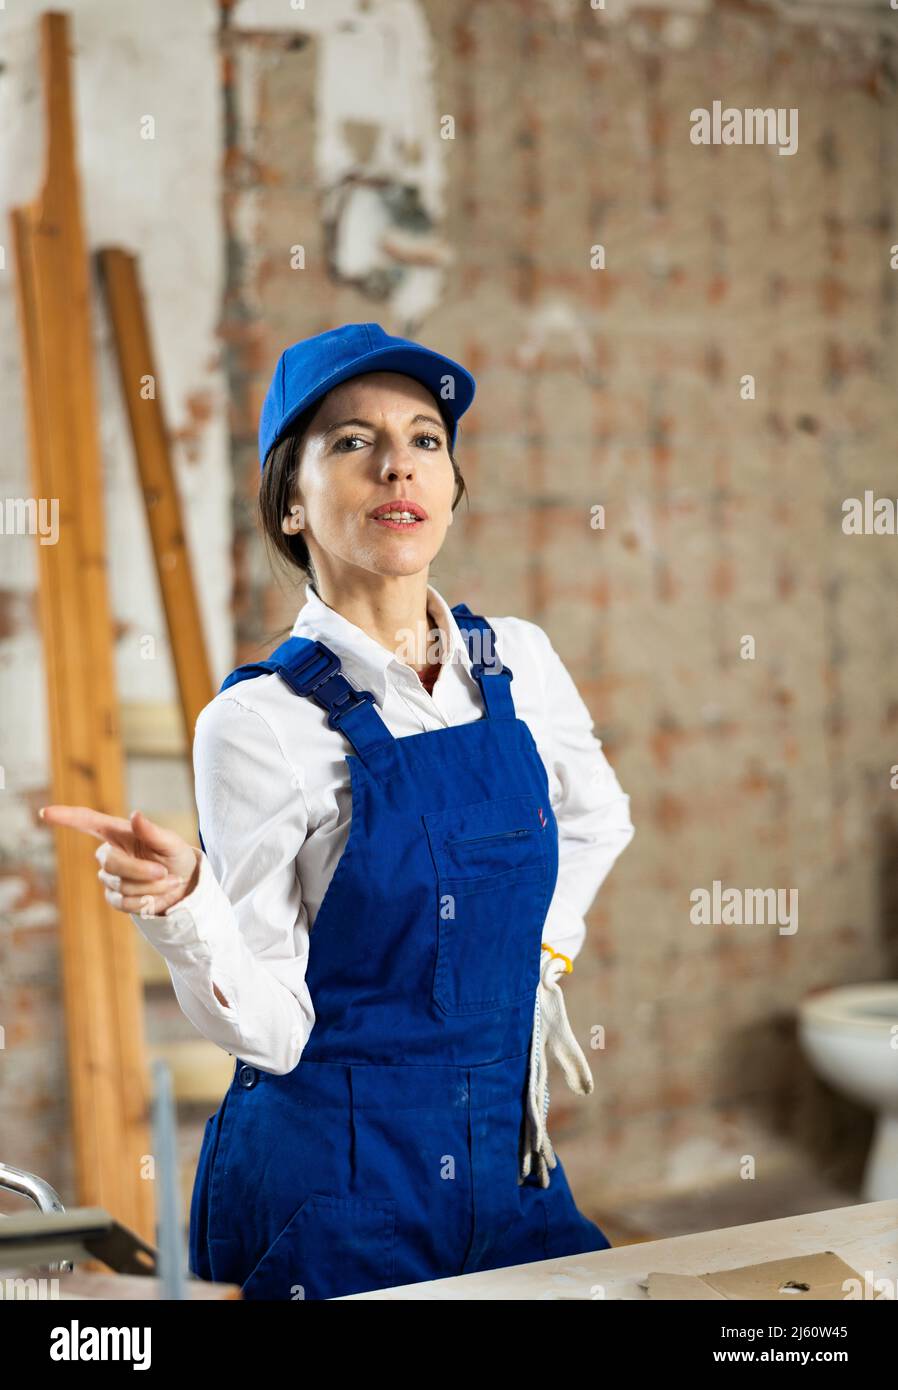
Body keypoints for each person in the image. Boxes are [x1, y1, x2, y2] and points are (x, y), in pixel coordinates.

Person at [40, 322, 635, 1300]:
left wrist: (539, 957)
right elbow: (272, 1035)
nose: (398, 463)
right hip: (337, 1196)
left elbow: (598, 815)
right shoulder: (257, 723)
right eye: (353, 442)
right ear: (289, 506)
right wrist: (190, 907)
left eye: (425, 440)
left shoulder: (514, 659)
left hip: (508, 1168)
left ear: (447, 490)